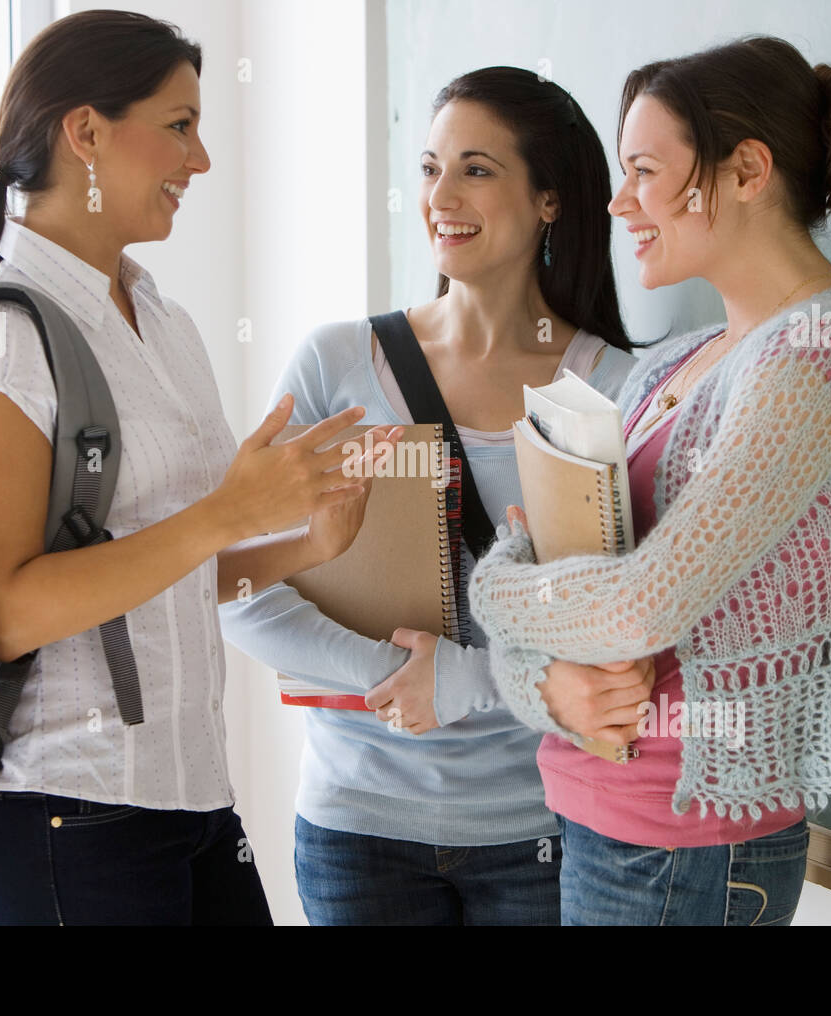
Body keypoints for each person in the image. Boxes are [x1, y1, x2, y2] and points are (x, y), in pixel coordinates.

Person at [0, 9, 398, 926]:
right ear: (85, 132)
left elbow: (165, 576)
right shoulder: (4, 332)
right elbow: (14, 609)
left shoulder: (165, 320)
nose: (202, 161)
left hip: (191, 802)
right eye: (180, 126)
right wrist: (227, 513)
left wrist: (302, 545)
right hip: (62, 811)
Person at [469, 36, 831, 926]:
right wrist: (542, 687)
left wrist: (495, 588)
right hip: (601, 819)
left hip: (690, 848)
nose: (618, 199)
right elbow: (577, 587)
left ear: (747, 169)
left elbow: (639, 607)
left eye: (643, 168)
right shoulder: (677, 360)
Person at [219, 67, 653, 926]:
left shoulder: (619, 390)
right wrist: (397, 675)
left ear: (550, 202)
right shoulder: (337, 364)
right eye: (429, 167)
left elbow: (635, 629)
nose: (440, 196)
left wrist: (463, 681)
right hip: (357, 828)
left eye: (477, 169)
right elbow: (234, 589)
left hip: (542, 830)